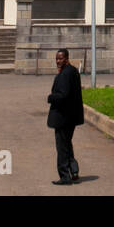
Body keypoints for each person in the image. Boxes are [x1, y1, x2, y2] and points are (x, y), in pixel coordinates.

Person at [46, 48, 84, 185]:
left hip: (63, 117)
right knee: (67, 144)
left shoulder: (65, 74)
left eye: (60, 58)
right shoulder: (73, 71)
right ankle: (73, 170)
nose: (58, 61)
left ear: (66, 58)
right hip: (71, 117)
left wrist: (50, 98)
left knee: (62, 147)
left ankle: (64, 176)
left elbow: (63, 95)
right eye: (56, 58)